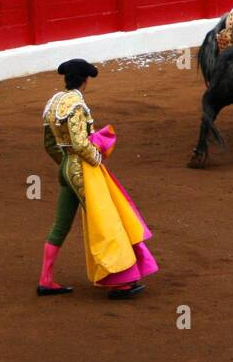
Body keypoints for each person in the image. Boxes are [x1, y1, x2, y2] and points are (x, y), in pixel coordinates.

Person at [38, 58, 158, 300]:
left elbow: (49, 143)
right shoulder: (77, 106)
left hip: (66, 168)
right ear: (85, 81)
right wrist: (97, 158)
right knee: (105, 221)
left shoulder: (54, 103)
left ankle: (46, 280)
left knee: (61, 224)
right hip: (82, 172)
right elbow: (81, 143)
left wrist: (64, 164)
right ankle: (119, 282)